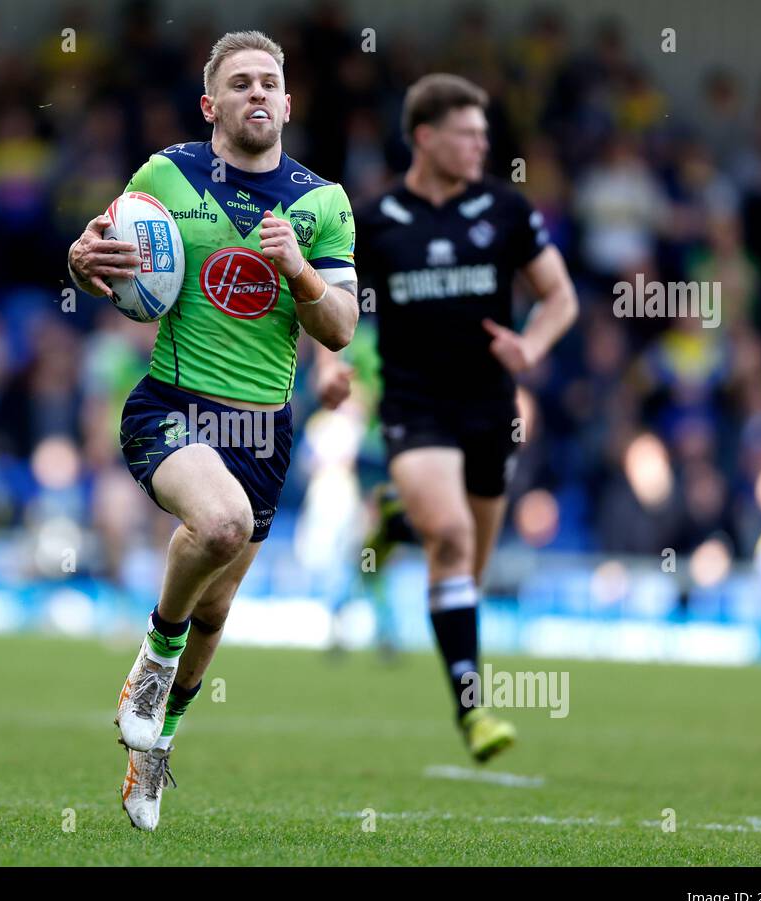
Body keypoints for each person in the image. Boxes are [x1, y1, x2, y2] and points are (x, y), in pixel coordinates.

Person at [67, 30, 359, 830]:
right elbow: (101, 253)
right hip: (172, 403)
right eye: (240, 84)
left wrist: (298, 269)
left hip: (264, 433)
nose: (258, 93)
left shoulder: (322, 203)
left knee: (218, 611)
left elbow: (340, 328)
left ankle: (153, 749)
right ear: (212, 105)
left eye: (270, 82)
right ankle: (151, 663)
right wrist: (78, 262)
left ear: (289, 103)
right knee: (220, 524)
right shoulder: (165, 175)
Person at [316, 74, 577, 761]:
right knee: (455, 539)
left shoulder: (506, 209)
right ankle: (474, 711)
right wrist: (327, 365)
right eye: (468, 134)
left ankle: (400, 521)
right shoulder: (373, 221)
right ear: (426, 138)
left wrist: (534, 344)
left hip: (488, 410)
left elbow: (560, 298)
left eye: (485, 135)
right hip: (413, 408)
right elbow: (326, 305)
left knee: (467, 570)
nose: (481, 146)